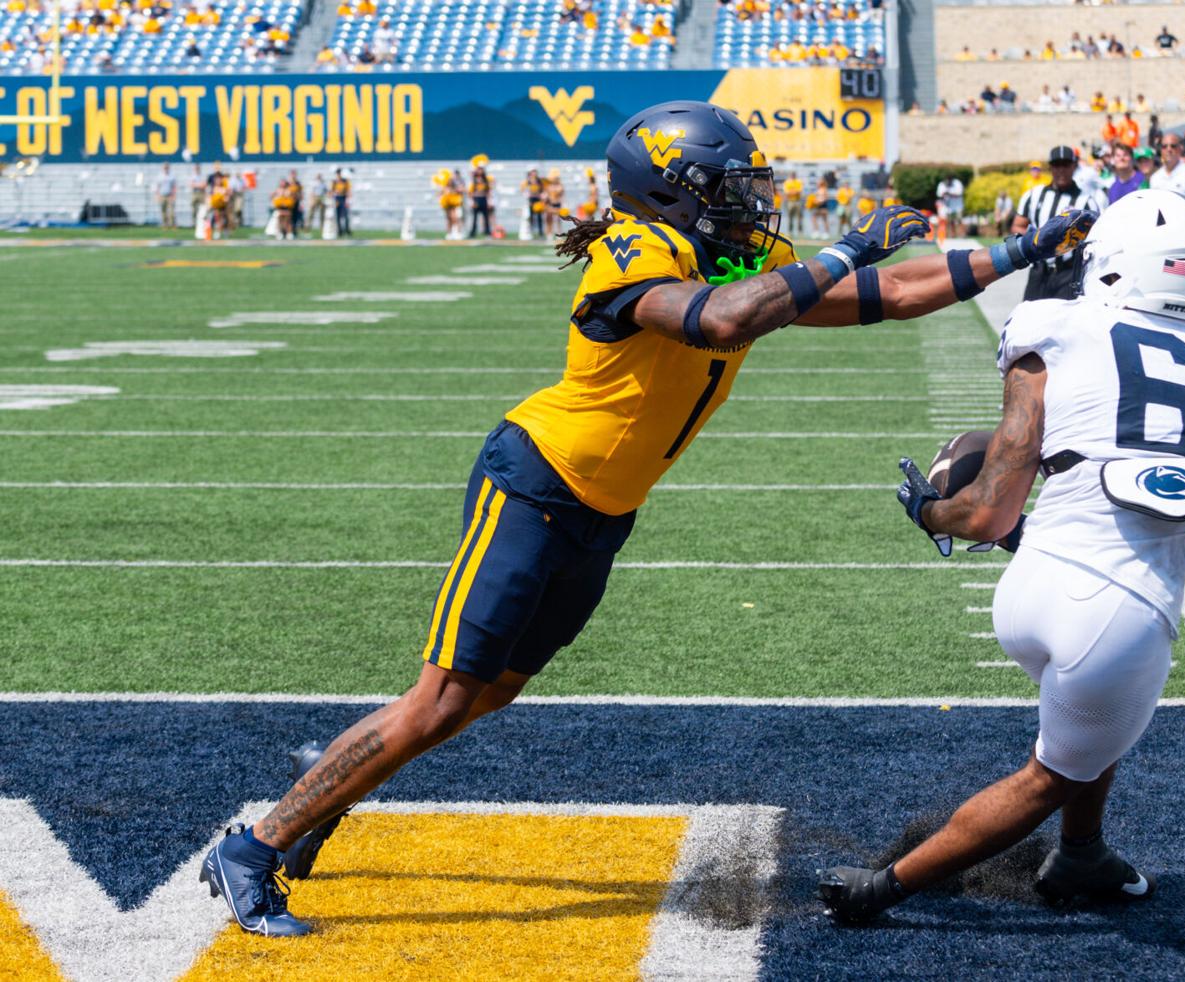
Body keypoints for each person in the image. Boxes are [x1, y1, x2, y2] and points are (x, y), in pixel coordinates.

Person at [198, 98, 1098, 937]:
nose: (753, 202)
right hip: (536, 486)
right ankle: (255, 846)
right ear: (673, 188)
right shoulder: (631, 253)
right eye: (732, 186)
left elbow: (892, 296)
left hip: (601, 510)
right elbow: (718, 321)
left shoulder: (726, 261)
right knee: (440, 699)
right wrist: (846, 249)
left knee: (490, 692)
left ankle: (328, 786)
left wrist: (1022, 250)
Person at [819, 188, 1185, 924]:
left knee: (1084, 738)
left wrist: (931, 510)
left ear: (1113, 263)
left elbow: (989, 508)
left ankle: (1082, 854)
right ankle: (884, 888)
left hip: (1033, 582)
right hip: (1121, 614)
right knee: (1049, 774)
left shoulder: (1053, 323)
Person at [1014, 145, 1104, 301]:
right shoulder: (1033, 196)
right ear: (1050, 167)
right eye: (1057, 165)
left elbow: (1098, 238)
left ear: (1074, 166)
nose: (1061, 169)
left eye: (1066, 164)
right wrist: (1035, 240)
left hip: (1068, 273)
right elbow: (1018, 225)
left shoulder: (1087, 201)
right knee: (1030, 320)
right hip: (1038, 270)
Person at [936, 172, 964, 239]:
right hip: (947, 206)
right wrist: (944, 194)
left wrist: (949, 194)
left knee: (959, 220)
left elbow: (959, 194)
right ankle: (952, 234)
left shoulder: (957, 183)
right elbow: (939, 195)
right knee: (950, 221)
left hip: (957, 206)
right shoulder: (942, 184)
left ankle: (962, 234)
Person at [469, 165, 493, 237]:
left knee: (486, 217)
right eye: (479, 170)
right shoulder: (474, 180)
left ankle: (487, 232)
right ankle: (473, 232)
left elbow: (488, 192)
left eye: (481, 170)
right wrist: (473, 201)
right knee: (474, 218)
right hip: (476, 199)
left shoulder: (485, 180)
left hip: (483, 199)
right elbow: (470, 192)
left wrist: (489, 202)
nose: (480, 171)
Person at [522, 167, 546, 237]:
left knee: (539, 216)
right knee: (531, 216)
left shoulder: (539, 181)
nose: (534, 173)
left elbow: (542, 190)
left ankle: (540, 231)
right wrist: (528, 198)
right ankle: (531, 231)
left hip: (538, 200)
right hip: (531, 200)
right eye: (533, 172)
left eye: (535, 172)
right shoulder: (528, 181)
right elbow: (525, 191)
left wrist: (542, 197)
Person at [154, 163, 177, 228]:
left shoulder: (171, 176)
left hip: (170, 195)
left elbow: (174, 186)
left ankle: (173, 225)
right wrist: (157, 195)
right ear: (163, 168)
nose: (166, 169)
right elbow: (157, 186)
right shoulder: (160, 176)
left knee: (172, 211)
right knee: (163, 211)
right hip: (162, 195)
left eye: (167, 167)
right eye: (165, 167)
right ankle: (165, 225)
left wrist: (174, 195)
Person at [331, 168, 351, 237]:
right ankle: (340, 231)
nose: (338, 175)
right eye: (337, 173)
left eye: (339, 173)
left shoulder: (345, 181)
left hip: (343, 198)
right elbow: (331, 191)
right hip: (337, 199)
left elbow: (348, 191)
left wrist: (347, 200)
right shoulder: (334, 182)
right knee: (338, 216)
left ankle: (347, 230)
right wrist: (334, 193)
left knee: (345, 216)